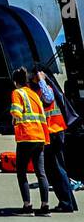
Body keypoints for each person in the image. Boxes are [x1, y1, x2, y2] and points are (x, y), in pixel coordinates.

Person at [35, 65, 77, 213]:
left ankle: (67, 203)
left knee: (55, 169)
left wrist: (41, 80)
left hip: (53, 132)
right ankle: (68, 202)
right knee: (56, 168)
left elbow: (48, 98)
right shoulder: (48, 88)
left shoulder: (46, 89)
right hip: (55, 132)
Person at [10, 67, 50, 215]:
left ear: (15, 82)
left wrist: (13, 119)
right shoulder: (34, 94)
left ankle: (27, 206)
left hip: (26, 137)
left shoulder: (17, 93)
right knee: (41, 173)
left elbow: (16, 113)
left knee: (21, 172)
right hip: (40, 137)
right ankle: (45, 206)